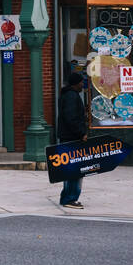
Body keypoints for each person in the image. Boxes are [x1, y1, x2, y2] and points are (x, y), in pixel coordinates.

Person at [57, 71, 88, 209]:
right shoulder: (71, 96)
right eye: (81, 82)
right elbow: (71, 118)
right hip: (72, 138)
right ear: (76, 83)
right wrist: (81, 133)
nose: (83, 84)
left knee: (69, 169)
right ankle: (70, 198)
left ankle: (66, 197)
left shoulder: (67, 94)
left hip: (67, 137)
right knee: (75, 170)